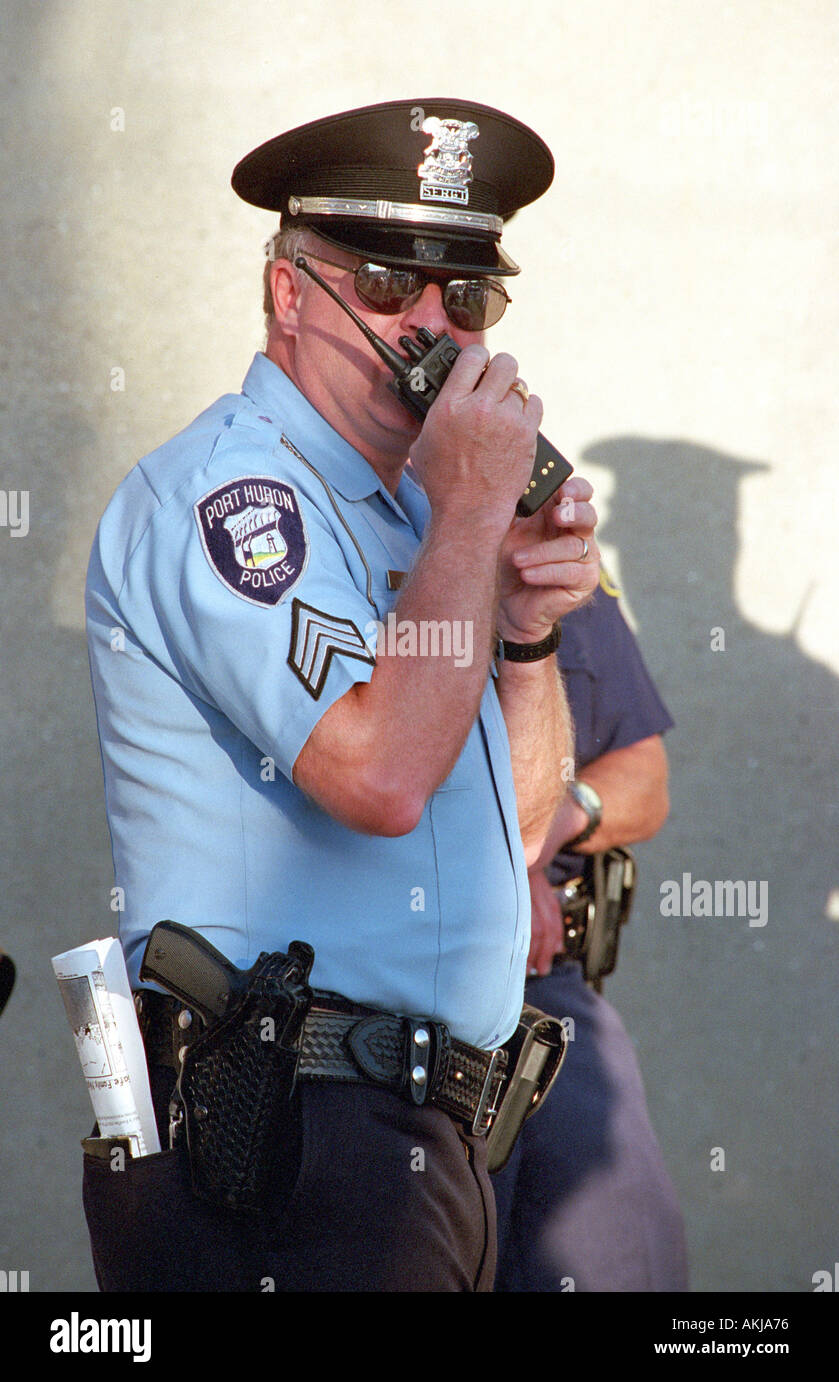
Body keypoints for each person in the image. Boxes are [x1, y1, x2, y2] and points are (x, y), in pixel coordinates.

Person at [81, 98, 601, 1292]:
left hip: (431, 1138)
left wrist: (520, 634)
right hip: (279, 1127)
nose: (428, 327)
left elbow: (525, 830)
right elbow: (374, 775)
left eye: (461, 300)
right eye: (383, 283)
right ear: (289, 294)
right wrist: (474, 510)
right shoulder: (233, 501)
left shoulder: (423, 523)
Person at [492, 572, 690, 1291]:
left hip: (541, 994)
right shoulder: (326, 510)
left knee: (622, 1261)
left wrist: (542, 833)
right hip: (377, 1000)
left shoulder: (534, 513)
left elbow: (644, 777)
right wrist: (489, 869)